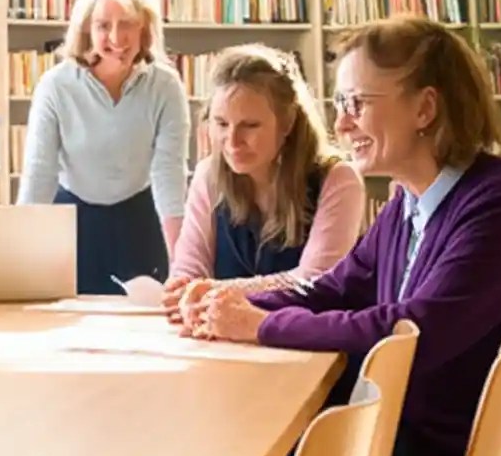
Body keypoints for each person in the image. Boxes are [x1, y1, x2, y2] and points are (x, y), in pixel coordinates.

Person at [194, 16, 501, 456]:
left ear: (425, 108)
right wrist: (233, 306)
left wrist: (261, 325)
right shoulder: (407, 205)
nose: (341, 123)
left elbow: (412, 331)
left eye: (357, 102)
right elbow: (336, 287)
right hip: (433, 442)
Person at [155, 43, 364, 320]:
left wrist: (209, 292)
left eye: (250, 126)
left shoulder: (338, 180)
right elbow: (188, 272)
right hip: (226, 344)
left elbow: (315, 282)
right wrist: (180, 290)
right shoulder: (208, 176)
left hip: (309, 348)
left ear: (287, 122)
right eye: (221, 124)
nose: (232, 141)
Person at [15, 0, 189, 294]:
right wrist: (22, 259)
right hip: (72, 218)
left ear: (145, 29)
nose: (116, 38)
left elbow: (169, 173)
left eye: (127, 25)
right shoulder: (56, 85)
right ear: (86, 31)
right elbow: (40, 174)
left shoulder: (166, 86)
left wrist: (182, 259)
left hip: (140, 217)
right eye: (103, 26)